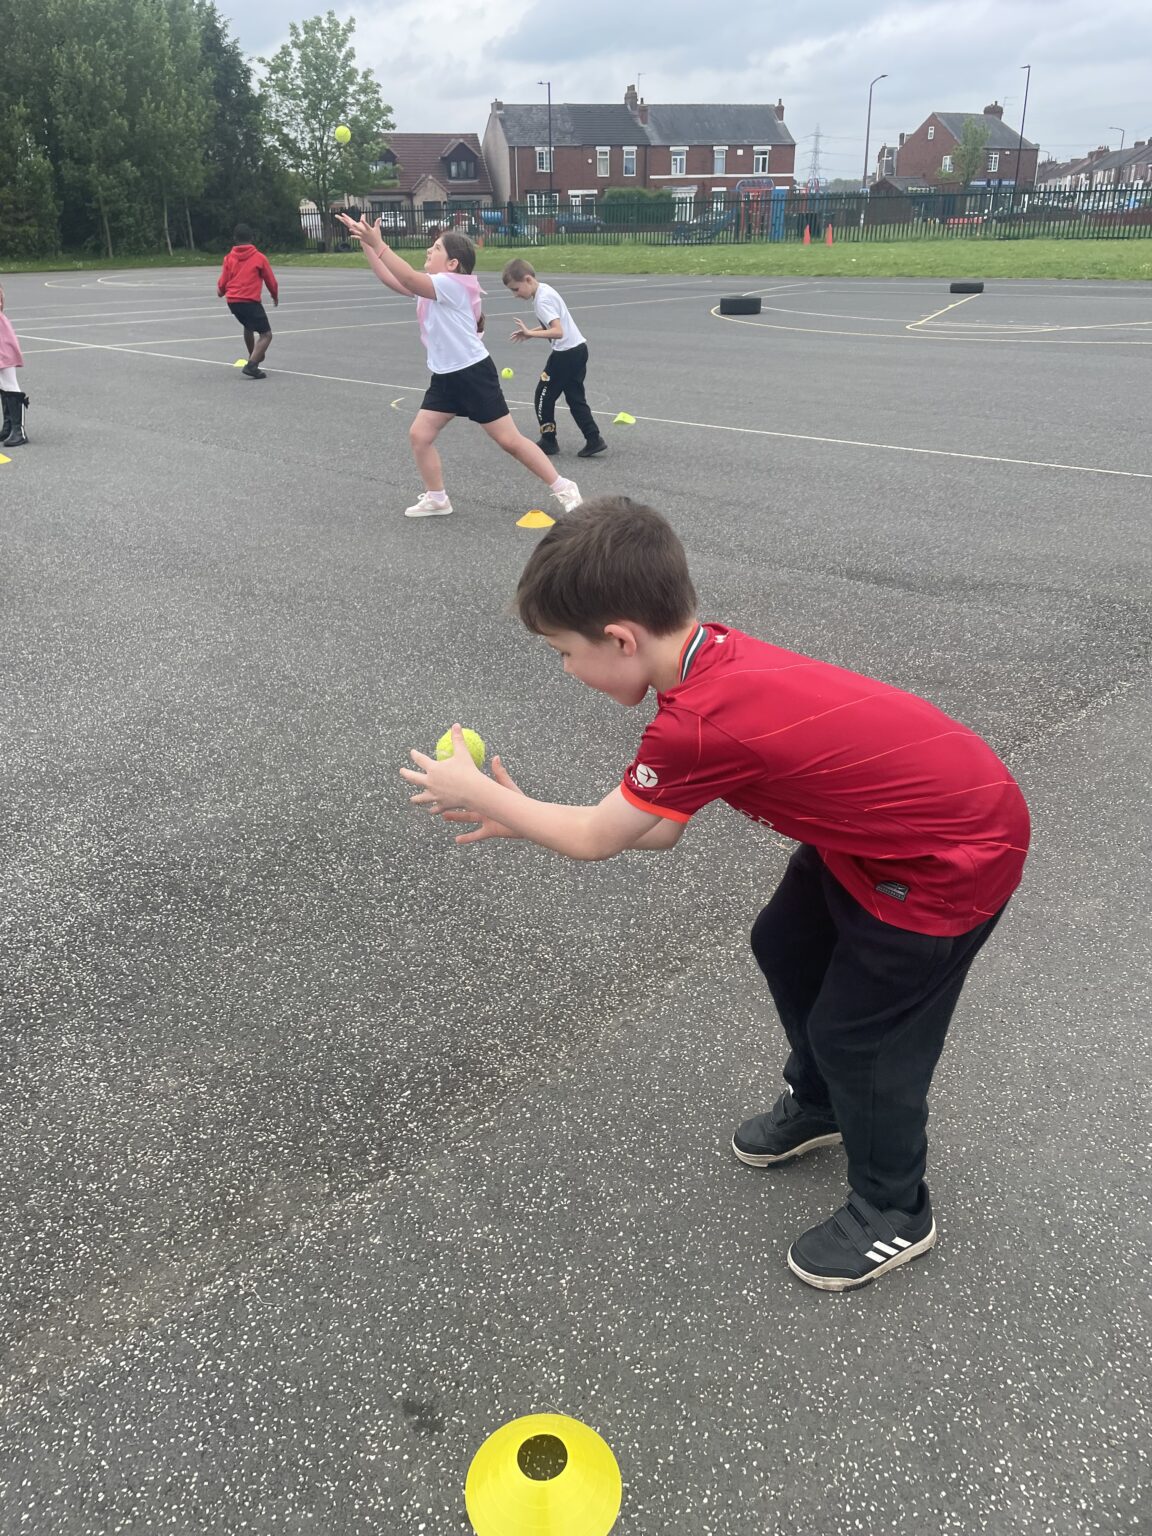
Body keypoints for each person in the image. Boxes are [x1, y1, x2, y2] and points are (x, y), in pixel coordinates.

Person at [400, 497, 1031, 1292]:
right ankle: (825, 1102)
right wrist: (520, 818)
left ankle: (894, 1211)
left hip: (950, 858)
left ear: (620, 639)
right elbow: (653, 829)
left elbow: (598, 839)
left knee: (861, 1040)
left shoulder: (697, 721)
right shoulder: (705, 660)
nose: (566, 670)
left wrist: (486, 797)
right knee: (785, 943)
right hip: (878, 834)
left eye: (563, 653)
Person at [337, 214, 582, 520]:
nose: (429, 250)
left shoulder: (452, 285)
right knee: (420, 436)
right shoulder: (434, 286)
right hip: (445, 376)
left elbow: (410, 278)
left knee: (510, 441)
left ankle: (564, 486)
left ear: (452, 263)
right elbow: (394, 279)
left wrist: (379, 243)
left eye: (436, 248)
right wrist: (368, 245)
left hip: (472, 373)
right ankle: (438, 498)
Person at [502, 258, 606, 459]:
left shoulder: (542, 300)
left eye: (516, 289)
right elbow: (554, 326)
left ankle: (549, 440)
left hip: (565, 354)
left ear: (528, 279)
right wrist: (530, 331)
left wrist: (530, 334)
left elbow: (558, 332)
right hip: (579, 350)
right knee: (575, 397)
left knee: (543, 395)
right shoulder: (546, 289)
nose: (515, 295)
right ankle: (594, 439)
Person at [217, 224, 279, 379]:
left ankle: (254, 355)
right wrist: (274, 295)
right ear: (252, 239)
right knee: (266, 334)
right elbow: (270, 280)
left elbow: (223, 281)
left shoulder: (229, 258)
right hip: (249, 301)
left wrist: (220, 291)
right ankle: (252, 364)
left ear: (234, 239)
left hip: (233, 301)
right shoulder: (259, 258)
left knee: (248, 326)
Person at [0, 283, 29, 448]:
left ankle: (19, 430)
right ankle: (9, 426)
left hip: (2, 338)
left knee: (9, 382)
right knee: (2, 383)